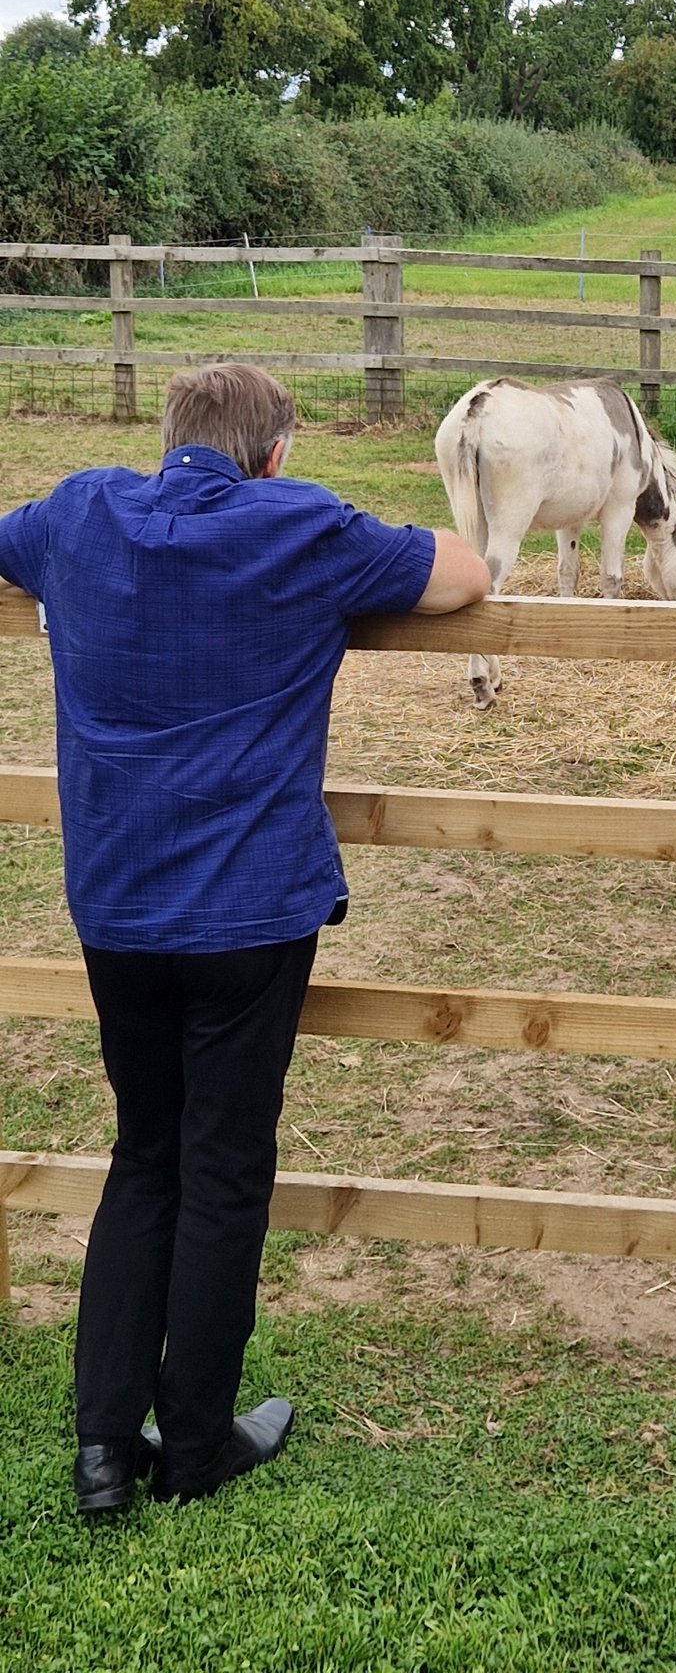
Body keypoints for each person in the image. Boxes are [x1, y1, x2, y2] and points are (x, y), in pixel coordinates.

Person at [0, 363, 489, 1511]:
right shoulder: (302, 527)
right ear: (275, 452)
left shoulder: (79, 513)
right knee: (222, 1168)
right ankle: (201, 1439)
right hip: (250, 912)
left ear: (169, 438)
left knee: (143, 1156)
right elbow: (464, 573)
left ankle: (103, 1453)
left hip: (116, 902)